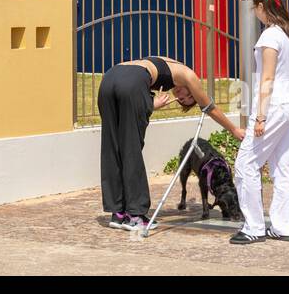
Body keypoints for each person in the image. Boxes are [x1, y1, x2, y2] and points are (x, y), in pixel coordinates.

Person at [99, 55, 244, 233]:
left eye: (182, 100)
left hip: (109, 77)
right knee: (131, 150)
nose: (179, 97)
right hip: (132, 81)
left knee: (112, 147)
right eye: (186, 97)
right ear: (192, 91)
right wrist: (234, 130)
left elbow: (130, 87)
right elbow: (209, 108)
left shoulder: (170, 64)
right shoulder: (191, 77)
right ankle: (136, 216)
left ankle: (118, 212)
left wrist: (151, 104)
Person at [230, 0, 289, 245]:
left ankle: (254, 227)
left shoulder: (270, 37)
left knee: (245, 163)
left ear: (262, 7)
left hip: (273, 107)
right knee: (283, 166)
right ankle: (283, 227)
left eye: (255, 9)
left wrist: (260, 117)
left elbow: (267, 79)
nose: (255, 13)